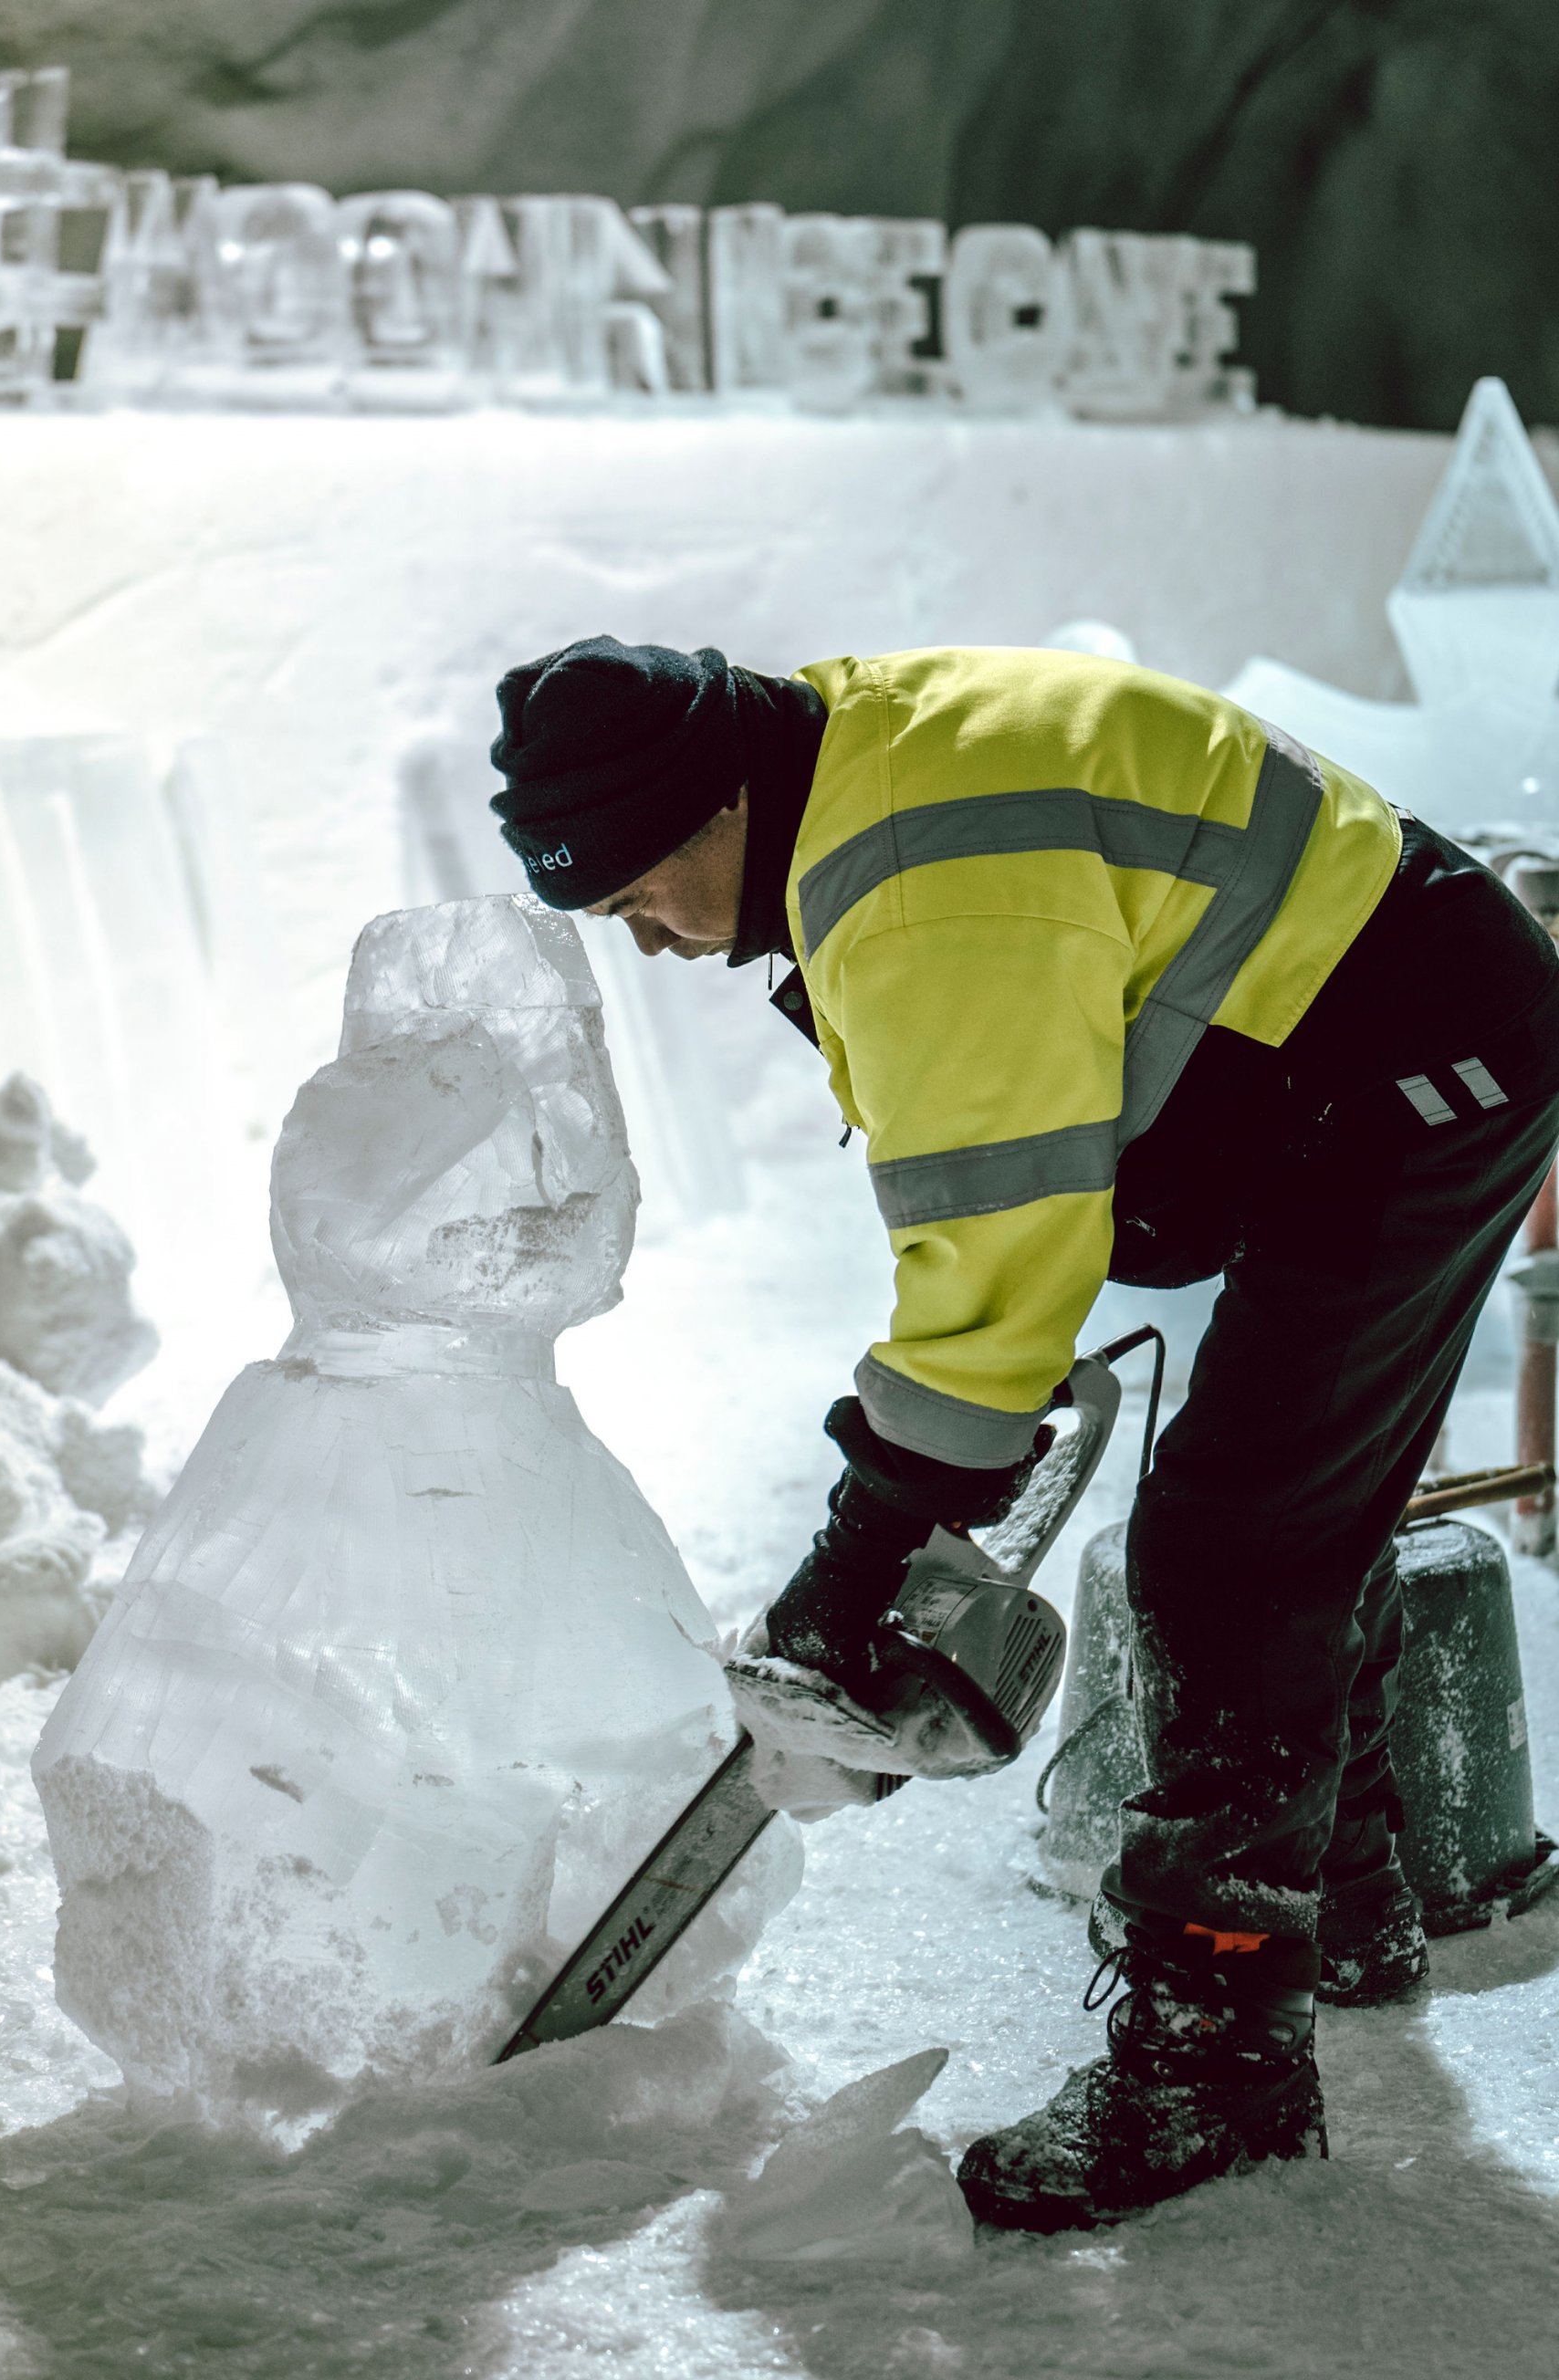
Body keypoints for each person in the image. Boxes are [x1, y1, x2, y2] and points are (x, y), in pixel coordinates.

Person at [488, 635, 1559, 2232]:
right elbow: (1010, 1203)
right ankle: (1340, 1911)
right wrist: (916, 1489)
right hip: (1367, 1023)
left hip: (1417, 1061)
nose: (648, 939)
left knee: (1233, 1546)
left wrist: (864, 1553)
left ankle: (1217, 2061)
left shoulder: (918, 880)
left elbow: (997, 1243)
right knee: (1289, 1506)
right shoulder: (853, 760)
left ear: (717, 806)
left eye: (642, 895)